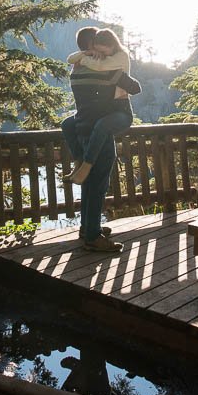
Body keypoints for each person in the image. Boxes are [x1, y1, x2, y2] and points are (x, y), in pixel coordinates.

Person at [61, 27, 137, 253]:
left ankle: (88, 227)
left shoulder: (75, 70)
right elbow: (133, 87)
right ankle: (93, 237)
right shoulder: (106, 69)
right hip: (99, 129)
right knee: (97, 184)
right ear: (92, 46)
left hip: (82, 128)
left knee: (89, 181)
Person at [63, 28, 136, 185]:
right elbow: (70, 58)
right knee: (67, 124)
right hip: (109, 109)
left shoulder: (120, 56)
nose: (104, 55)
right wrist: (87, 53)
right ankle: (78, 163)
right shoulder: (103, 57)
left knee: (101, 125)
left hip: (121, 110)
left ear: (112, 45)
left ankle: (86, 167)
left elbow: (101, 67)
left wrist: (83, 59)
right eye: (98, 50)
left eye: (104, 51)